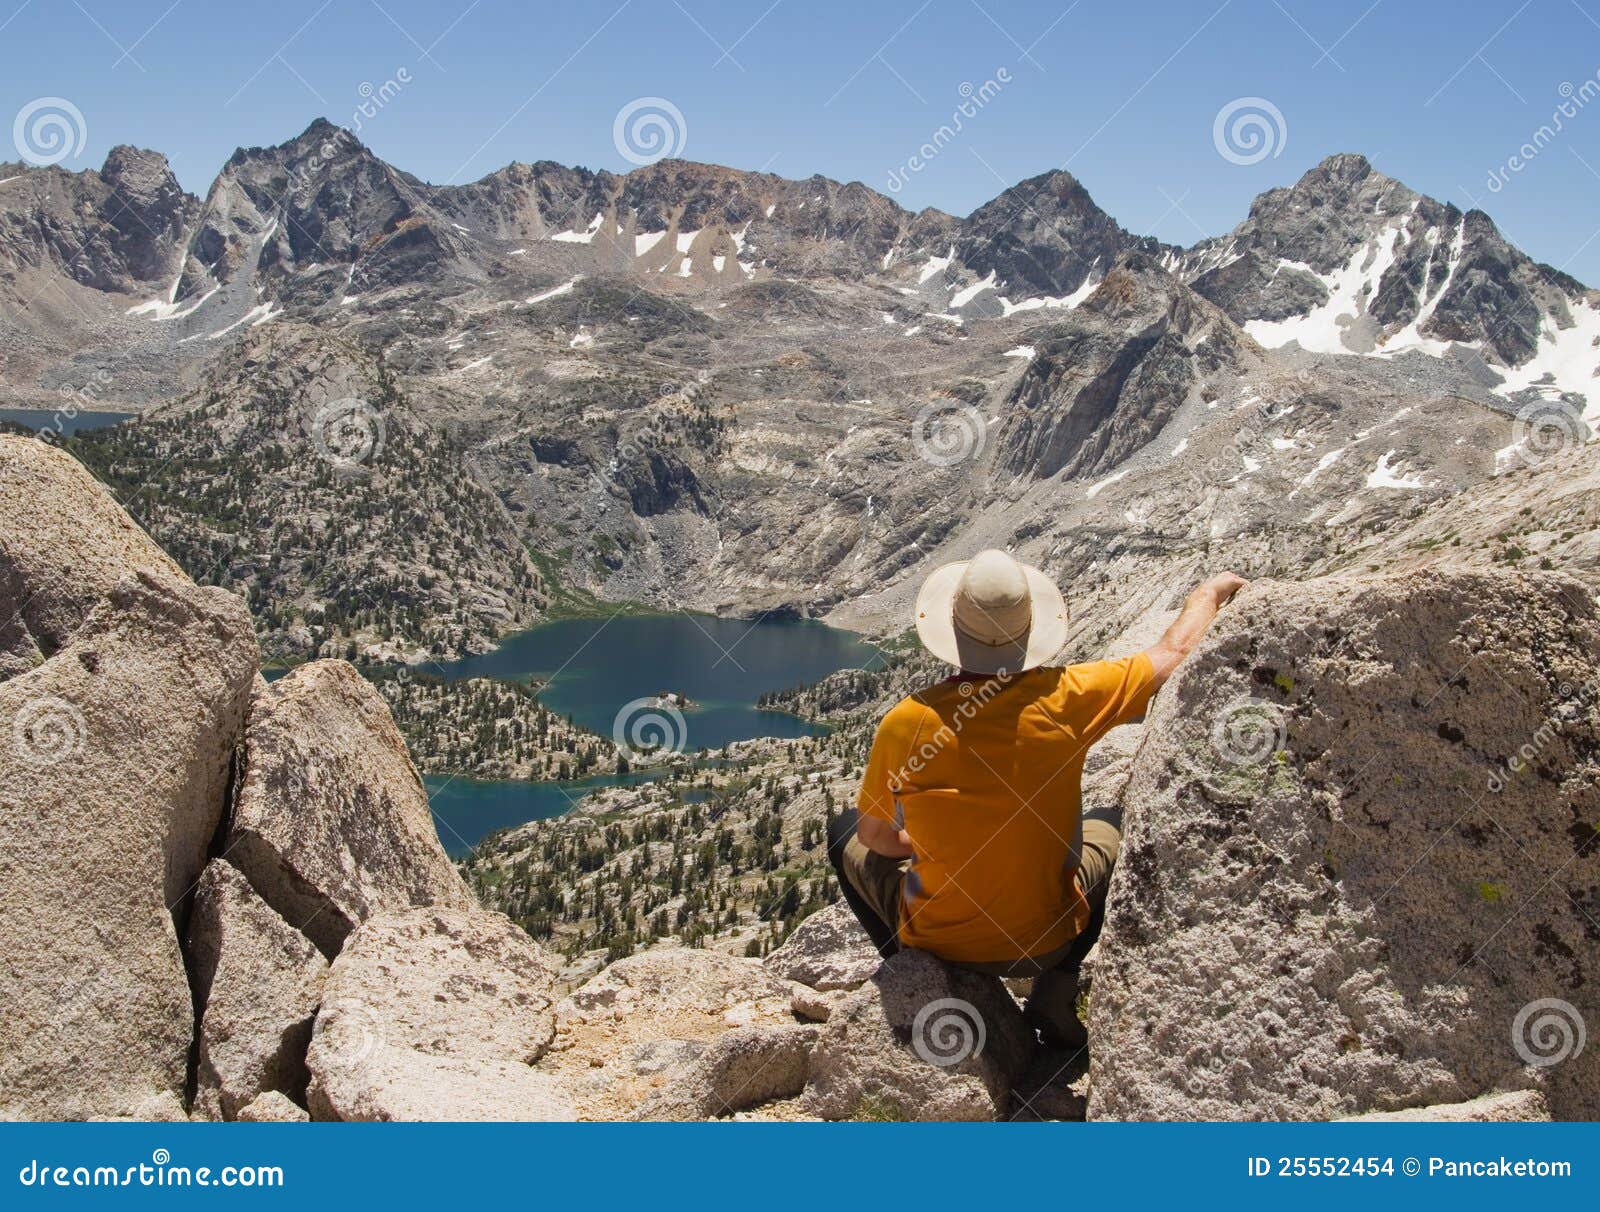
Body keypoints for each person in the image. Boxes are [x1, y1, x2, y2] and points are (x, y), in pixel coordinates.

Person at [829, 548, 1247, 1048]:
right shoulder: (1071, 696)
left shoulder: (908, 722)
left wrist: (926, 843)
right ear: (1029, 631)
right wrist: (1209, 593)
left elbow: (876, 837)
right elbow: (1172, 656)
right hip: (1048, 941)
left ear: (953, 630)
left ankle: (915, 975)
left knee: (842, 832)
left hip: (939, 941)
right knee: (1113, 826)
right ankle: (1056, 992)